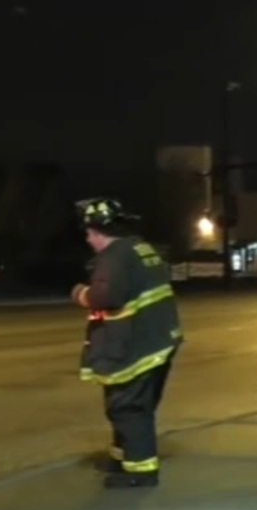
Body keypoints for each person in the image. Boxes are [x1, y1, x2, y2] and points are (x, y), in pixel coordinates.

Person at [72, 198, 184, 489]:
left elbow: (106, 298)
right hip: (157, 340)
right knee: (131, 405)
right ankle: (123, 456)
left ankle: (141, 471)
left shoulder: (114, 257)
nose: (88, 240)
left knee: (128, 407)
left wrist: (81, 294)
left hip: (136, 346)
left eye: (88, 234)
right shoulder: (140, 248)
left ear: (97, 232)